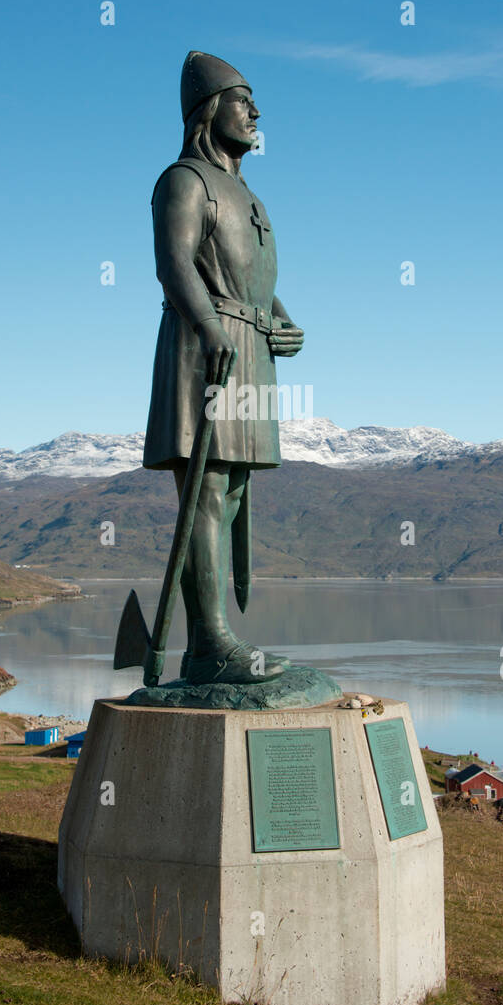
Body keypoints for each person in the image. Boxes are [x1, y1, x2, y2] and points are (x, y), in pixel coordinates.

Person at [143, 52, 305, 685]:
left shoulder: (249, 194)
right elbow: (175, 262)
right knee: (205, 489)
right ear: (210, 111)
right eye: (244, 101)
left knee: (232, 491)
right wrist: (211, 327)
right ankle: (208, 645)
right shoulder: (184, 180)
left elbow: (252, 278)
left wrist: (279, 319)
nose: (257, 112)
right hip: (204, 346)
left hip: (250, 350)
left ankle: (214, 638)